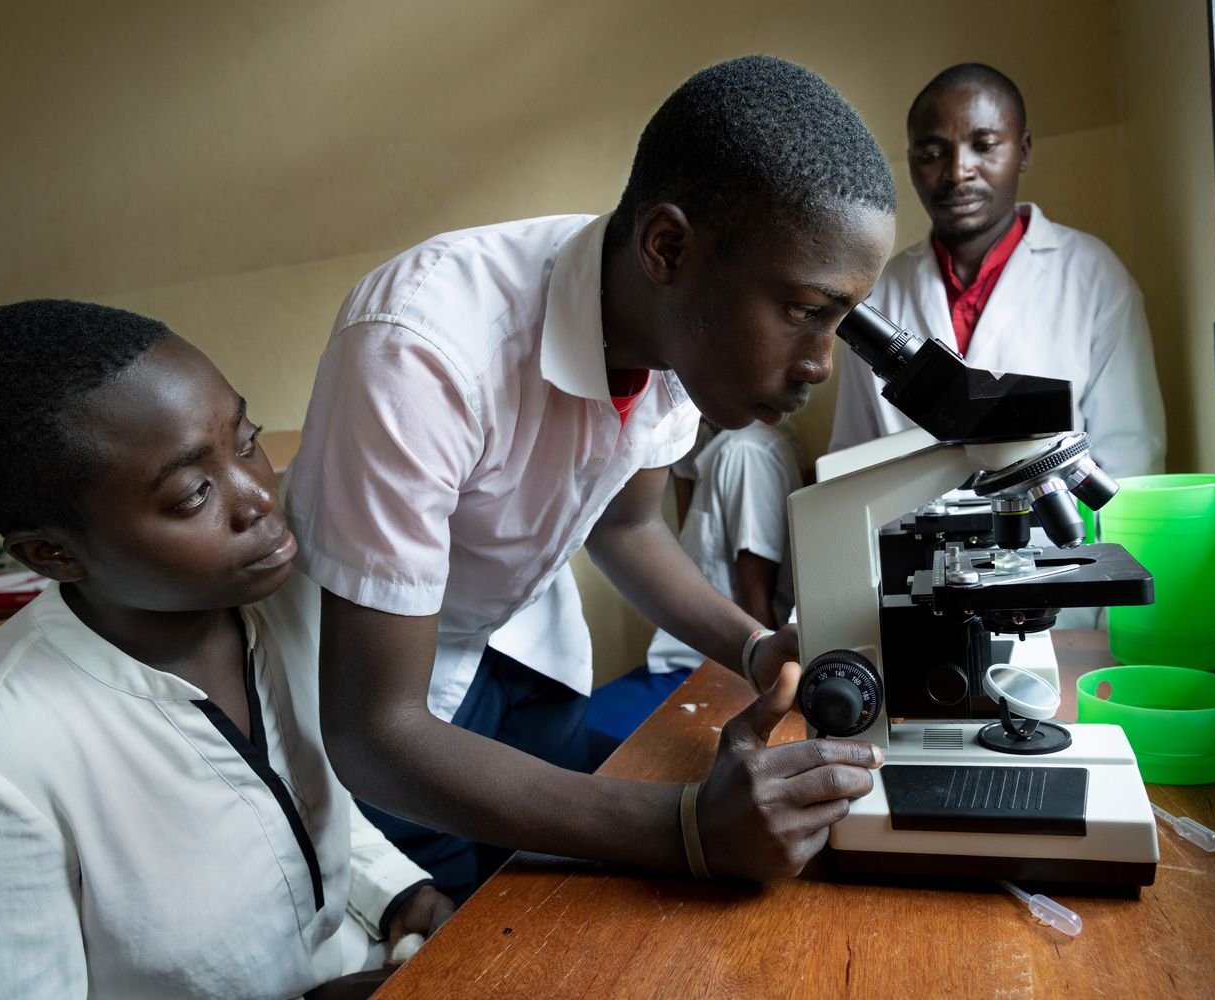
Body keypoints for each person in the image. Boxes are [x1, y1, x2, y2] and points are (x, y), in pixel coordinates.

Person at [284, 55, 895, 901]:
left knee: (561, 909)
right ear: (668, 246)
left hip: (527, 654)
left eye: (840, 322)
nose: (824, 365)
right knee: (467, 932)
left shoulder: (675, 326)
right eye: (803, 310)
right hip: (394, 710)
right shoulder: (422, 349)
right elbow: (374, 733)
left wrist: (754, 649)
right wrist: (686, 829)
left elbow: (625, 526)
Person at [0, 300, 451, 1000]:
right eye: (191, 494)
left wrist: (399, 894)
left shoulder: (274, 605)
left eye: (246, 440)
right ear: (52, 553)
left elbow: (282, 811)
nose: (257, 498)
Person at [829, 63, 1166, 480]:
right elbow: (852, 459)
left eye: (984, 145)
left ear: (1023, 151)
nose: (957, 172)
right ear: (911, 160)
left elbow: (1130, 456)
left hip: (1059, 537)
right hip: (912, 539)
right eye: (932, 154)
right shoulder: (878, 293)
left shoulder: (1093, 275)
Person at [585, 421, 804, 763]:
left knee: (575, 736)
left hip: (706, 666)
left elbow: (754, 587)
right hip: (700, 655)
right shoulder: (715, 443)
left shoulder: (745, 452)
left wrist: (766, 691)